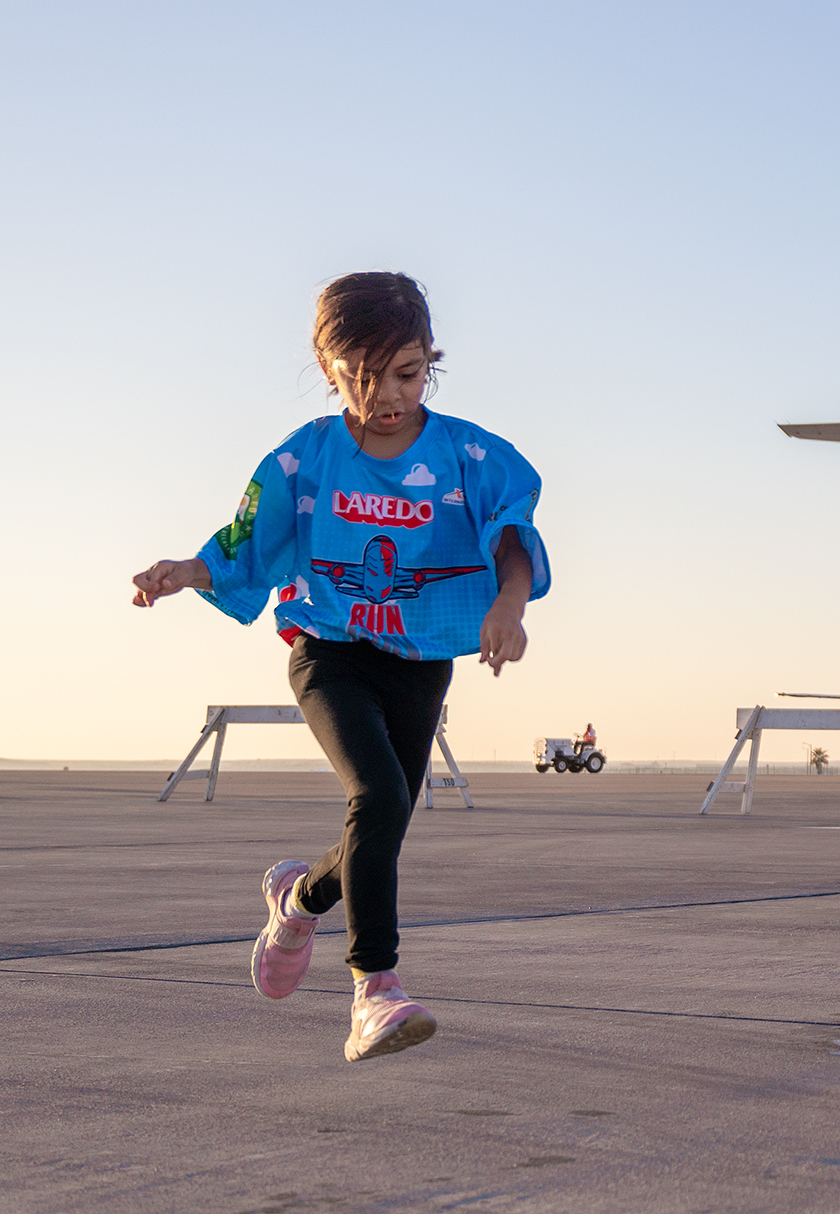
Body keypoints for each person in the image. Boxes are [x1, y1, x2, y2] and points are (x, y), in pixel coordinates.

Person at [131, 272, 551, 1060]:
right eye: (360, 376)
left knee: (383, 823)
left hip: (422, 660)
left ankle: (297, 900)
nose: (384, 395)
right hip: (326, 649)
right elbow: (250, 540)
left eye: (406, 373)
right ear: (329, 368)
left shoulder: (470, 455)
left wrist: (508, 607)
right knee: (380, 793)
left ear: (431, 361)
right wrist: (184, 571)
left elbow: (511, 536)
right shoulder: (308, 459)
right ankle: (374, 993)